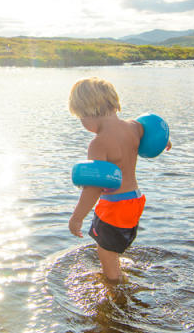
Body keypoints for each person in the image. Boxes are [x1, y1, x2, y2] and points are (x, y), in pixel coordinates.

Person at [66, 77, 160, 283]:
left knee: (106, 255)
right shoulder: (134, 127)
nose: (82, 123)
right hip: (135, 201)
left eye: (80, 118)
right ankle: (119, 272)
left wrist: (77, 217)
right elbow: (157, 135)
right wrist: (166, 142)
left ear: (88, 113)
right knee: (115, 244)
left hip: (114, 206)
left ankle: (115, 288)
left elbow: (94, 187)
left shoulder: (99, 144)